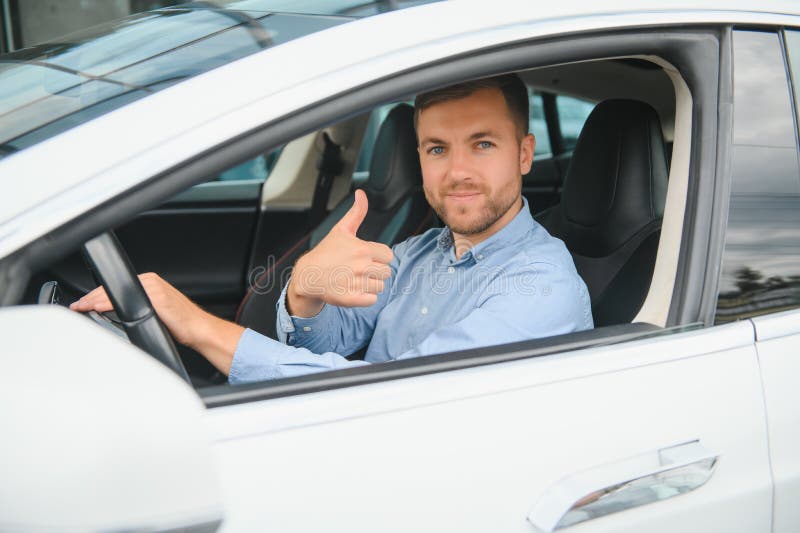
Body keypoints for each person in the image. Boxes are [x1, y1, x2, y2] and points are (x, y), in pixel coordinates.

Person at [71, 74, 593, 384]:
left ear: (525, 153)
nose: (456, 171)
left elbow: (388, 394)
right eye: (437, 149)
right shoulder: (421, 250)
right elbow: (337, 342)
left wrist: (196, 324)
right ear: (419, 157)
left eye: (482, 144)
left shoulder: (542, 288)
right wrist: (304, 292)